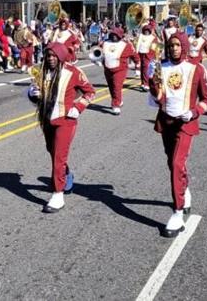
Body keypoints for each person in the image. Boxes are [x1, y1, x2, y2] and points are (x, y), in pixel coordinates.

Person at [148, 30, 207, 238]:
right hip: (166, 121)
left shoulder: (196, 69)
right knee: (172, 163)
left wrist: (194, 112)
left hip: (185, 124)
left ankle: (177, 212)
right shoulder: (162, 67)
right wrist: (152, 81)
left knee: (177, 164)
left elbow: (206, 98)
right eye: (171, 45)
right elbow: (158, 97)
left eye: (177, 45)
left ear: (183, 46)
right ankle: (184, 189)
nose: (174, 48)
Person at [28, 43, 95, 213]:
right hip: (47, 119)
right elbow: (37, 94)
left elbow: (90, 92)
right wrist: (32, 94)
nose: (50, 58)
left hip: (66, 120)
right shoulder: (41, 71)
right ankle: (66, 176)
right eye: (48, 55)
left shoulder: (73, 72)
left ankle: (57, 194)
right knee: (52, 150)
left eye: (54, 55)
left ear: (61, 56)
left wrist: (78, 107)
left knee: (58, 155)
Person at [100, 27, 138, 115]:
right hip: (107, 69)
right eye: (112, 34)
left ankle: (115, 105)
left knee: (117, 86)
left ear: (120, 36)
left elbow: (134, 54)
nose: (114, 37)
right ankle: (118, 100)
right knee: (111, 87)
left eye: (116, 35)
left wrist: (137, 63)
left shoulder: (125, 45)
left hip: (120, 69)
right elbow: (98, 51)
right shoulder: (105, 43)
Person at [135, 25, 159, 91]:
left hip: (148, 55)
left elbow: (153, 47)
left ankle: (146, 84)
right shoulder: (141, 36)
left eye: (147, 30)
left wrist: (150, 54)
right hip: (140, 53)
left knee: (146, 68)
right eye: (145, 30)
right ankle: (143, 83)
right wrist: (136, 53)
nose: (146, 32)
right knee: (142, 68)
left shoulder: (153, 38)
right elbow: (137, 44)